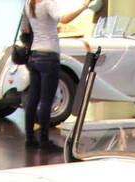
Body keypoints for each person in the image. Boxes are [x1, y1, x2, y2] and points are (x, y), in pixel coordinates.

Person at [24, 0, 98, 152]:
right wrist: (84, 5)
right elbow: (64, 19)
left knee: (33, 99)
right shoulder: (48, 3)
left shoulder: (29, 3)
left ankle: (30, 139)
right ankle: (44, 141)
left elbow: (27, 28)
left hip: (34, 55)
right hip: (48, 56)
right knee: (46, 100)